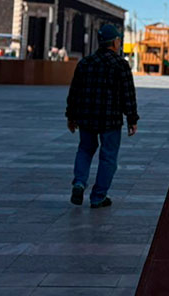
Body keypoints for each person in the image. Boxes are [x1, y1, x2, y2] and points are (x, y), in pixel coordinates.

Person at [65, 24, 139, 208]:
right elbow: (128, 94)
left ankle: (79, 182)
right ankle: (98, 197)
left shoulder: (85, 63)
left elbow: (74, 92)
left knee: (85, 150)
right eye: (119, 40)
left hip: (87, 118)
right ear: (114, 42)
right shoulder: (120, 65)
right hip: (110, 120)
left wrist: (71, 116)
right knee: (108, 157)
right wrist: (132, 119)